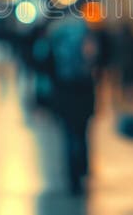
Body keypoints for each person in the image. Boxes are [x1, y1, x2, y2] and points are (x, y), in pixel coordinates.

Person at [47, 17, 97, 195]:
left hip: (64, 92)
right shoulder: (86, 34)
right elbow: (96, 60)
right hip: (84, 91)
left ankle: (72, 177)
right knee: (82, 132)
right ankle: (83, 168)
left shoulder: (56, 35)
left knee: (68, 135)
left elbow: (47, 65)